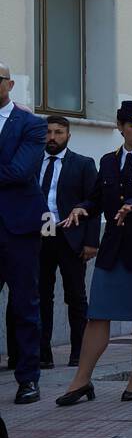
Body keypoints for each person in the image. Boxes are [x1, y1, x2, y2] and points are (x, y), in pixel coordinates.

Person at [57, 102, 132, 406]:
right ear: (120, 126)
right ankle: (81, 380)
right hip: (113, 251)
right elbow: (97, 197)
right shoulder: (108, 161)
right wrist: (82, 207)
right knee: (98, 315)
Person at [32, 116, 98, 368]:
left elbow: (94, 205)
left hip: (69, 237)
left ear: (68, 136)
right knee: (40, 295)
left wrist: (91, 242)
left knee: (76, 296)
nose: (52, 137)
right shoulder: (33, 163)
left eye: (59, 132)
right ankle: (42, 354)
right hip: (38, 237)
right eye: (48, 132)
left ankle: (79, 353)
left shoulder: (82, 164)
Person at [0, 60, 46, 404]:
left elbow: (19, 170)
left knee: (24, 305)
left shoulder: (31, 124)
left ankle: (28, 377)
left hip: (18, 228)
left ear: (10, 85)